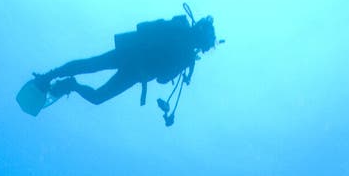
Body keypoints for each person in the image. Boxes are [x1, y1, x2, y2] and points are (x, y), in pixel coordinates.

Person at [33, 11, 216, 110]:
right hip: (137, 71)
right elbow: (162, 79)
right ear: (202, 44)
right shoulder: (187, 55)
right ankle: (70, 85)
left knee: (91, 65)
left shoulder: (178, 28)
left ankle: (49, 76)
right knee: (98, 96)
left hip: (131, 53)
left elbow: (145, 28)